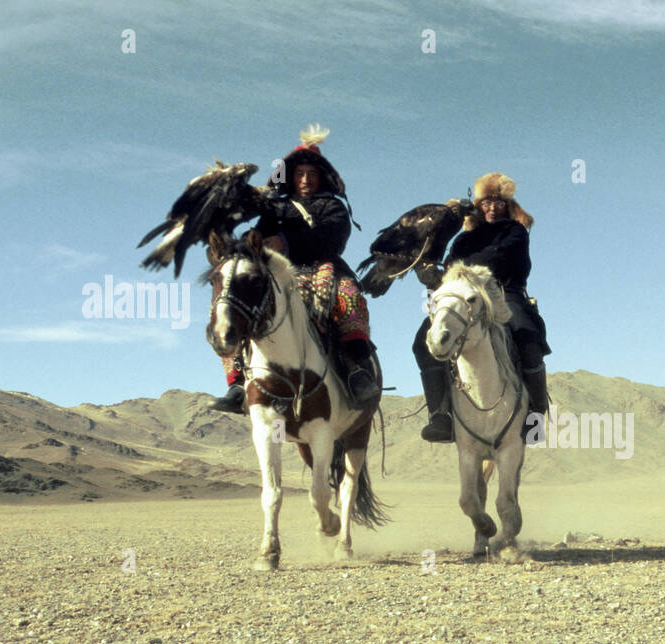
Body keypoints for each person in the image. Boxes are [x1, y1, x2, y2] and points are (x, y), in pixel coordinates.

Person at [211, 125, 380, 413]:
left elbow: (333, 238)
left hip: (322, 267)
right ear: (289, 176)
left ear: (321, 178)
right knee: (235, 300)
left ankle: (357, 371)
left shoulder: (333, 207)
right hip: (277, 271)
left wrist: (286, 241)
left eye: (311, 174)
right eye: (299, 173)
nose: (304, 179)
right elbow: (257, 236)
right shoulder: (274, 208)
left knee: (348, 296)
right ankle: (238, 382)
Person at [413, 172, 550, 442]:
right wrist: (429, 270)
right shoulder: (463, 239)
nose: (491, 208)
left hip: (503, 292)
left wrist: (459, 268)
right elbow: (448, 268)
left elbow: (497, 256)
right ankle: (440, 415)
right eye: (486, 202)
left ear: (507, 205)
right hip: (465, 296)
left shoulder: (515, 231)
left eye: (498, 202)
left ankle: (535, 417)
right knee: (423, 342)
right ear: (477, 205)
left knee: (527, 338)